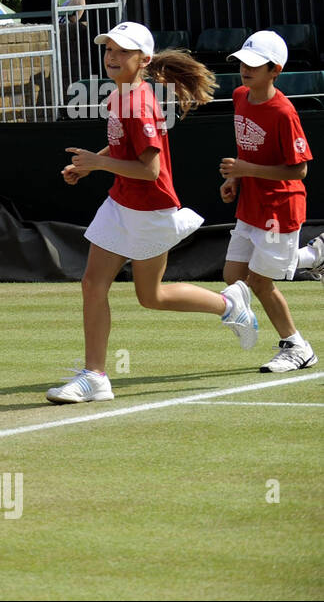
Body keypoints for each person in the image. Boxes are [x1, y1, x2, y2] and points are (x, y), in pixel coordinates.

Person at [49, 22, 258, 404]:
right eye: (109, 49)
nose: (112, 56)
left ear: (143, 60)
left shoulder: (140, 102)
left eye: (122, 51)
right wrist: (92, 164)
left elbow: (150, 170)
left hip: (148, 210)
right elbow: (123, 149)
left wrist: (96, 162)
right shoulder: (119, 96)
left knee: (152, 296)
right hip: (120, 203)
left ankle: (229, 305)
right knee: (93, 285)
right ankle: (95, 376)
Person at [218, 31, 316, 372]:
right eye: (243, 62)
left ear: (275, 70)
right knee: (233, 276)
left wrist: (246, 169)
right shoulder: (240, 96)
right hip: (251, 204)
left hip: (279, 209)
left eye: (255, 65)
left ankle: (296, 346)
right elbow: (247, 150)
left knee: (260, 282)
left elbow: (299, 170)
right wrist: (236, 177)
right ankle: (311, 257)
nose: (246, 69)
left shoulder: (284, 113)